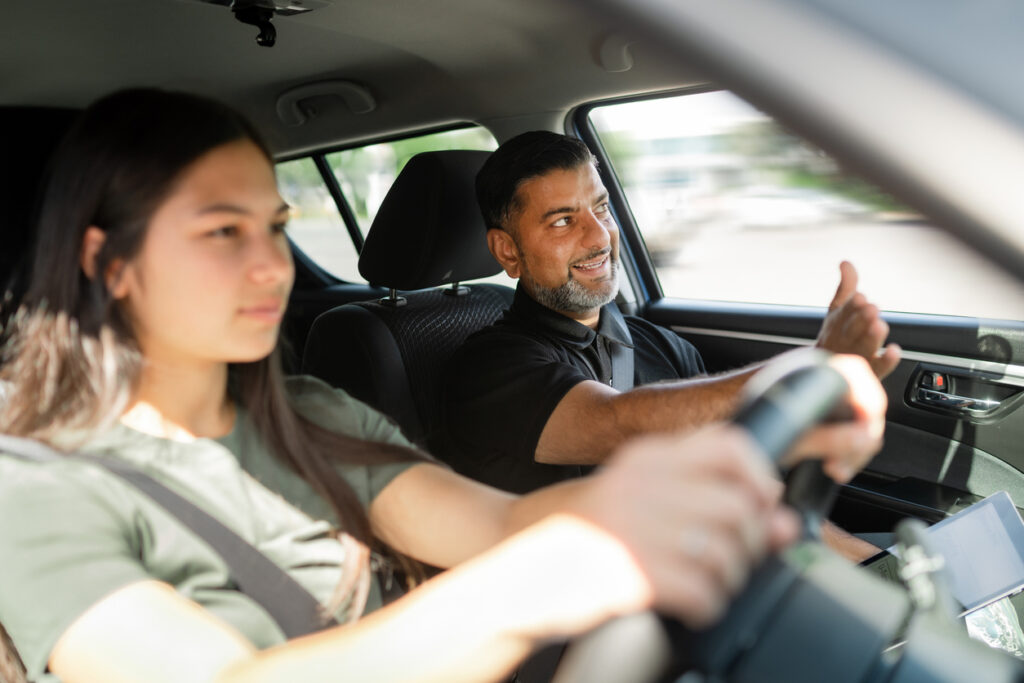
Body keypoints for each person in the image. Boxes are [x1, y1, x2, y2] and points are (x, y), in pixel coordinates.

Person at [0, 89, 884, 683]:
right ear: (106, 261)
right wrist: (545, 579)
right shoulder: (35, 490)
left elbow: (496, 523)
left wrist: (674, 505)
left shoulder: (308, 413)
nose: (273, 265)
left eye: (274, 226)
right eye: (222, 232)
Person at [443, 131, 901, 559]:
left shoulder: (664, 348)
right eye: (564, 221)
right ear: (507, 252)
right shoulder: (487, 367)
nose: (600, 237)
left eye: (601, 210)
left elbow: (746, 488)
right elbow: (618, 424)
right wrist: (814, 368)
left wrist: (880, 573)